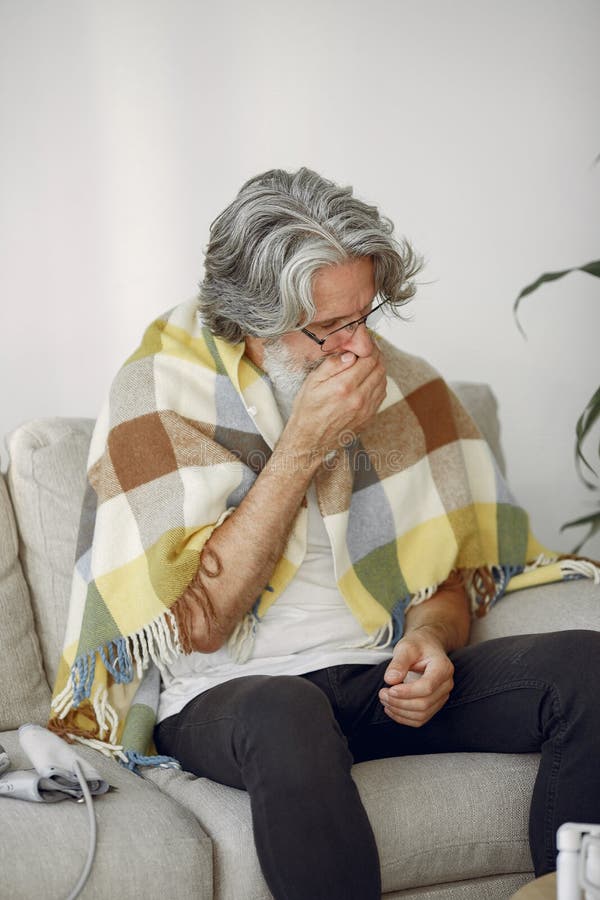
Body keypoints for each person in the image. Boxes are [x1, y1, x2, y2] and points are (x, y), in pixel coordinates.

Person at [51, 167, 600, 900]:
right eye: (332, 328)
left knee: (587, 670)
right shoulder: (155, 395)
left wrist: (431, 639)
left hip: (372, 675)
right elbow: (201, 625)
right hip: (232, 694)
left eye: (365, 316)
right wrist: (306, 445)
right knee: (286, 708)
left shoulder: (404, 388)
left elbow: (448, 579)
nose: (360, 349)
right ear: (253, 318)